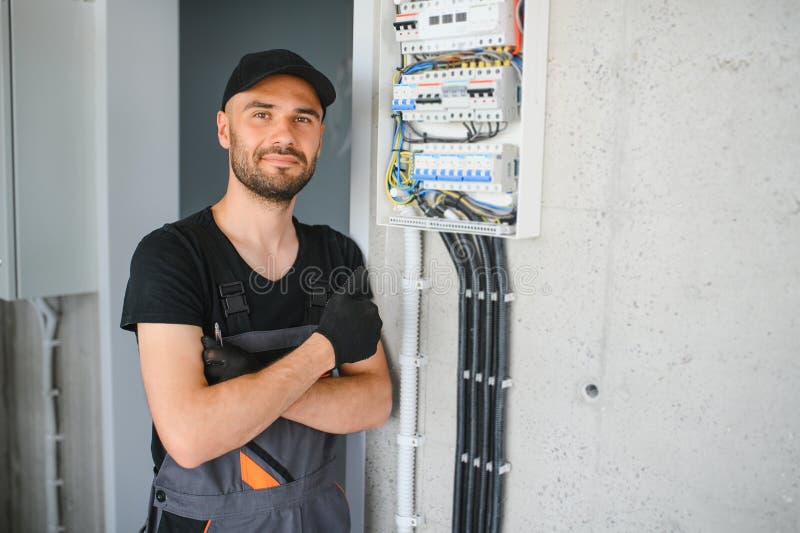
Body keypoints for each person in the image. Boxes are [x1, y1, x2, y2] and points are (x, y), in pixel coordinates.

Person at [120, 49, 391, 532]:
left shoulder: (338, 255)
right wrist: (321, 354)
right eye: (261, 114)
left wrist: (253, 383)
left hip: (317, 517)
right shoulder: (172, 256)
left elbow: (373, 402)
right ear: (225, 129)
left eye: (302, 118)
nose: (284, 135)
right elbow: (190, 435)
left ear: (320, 138)